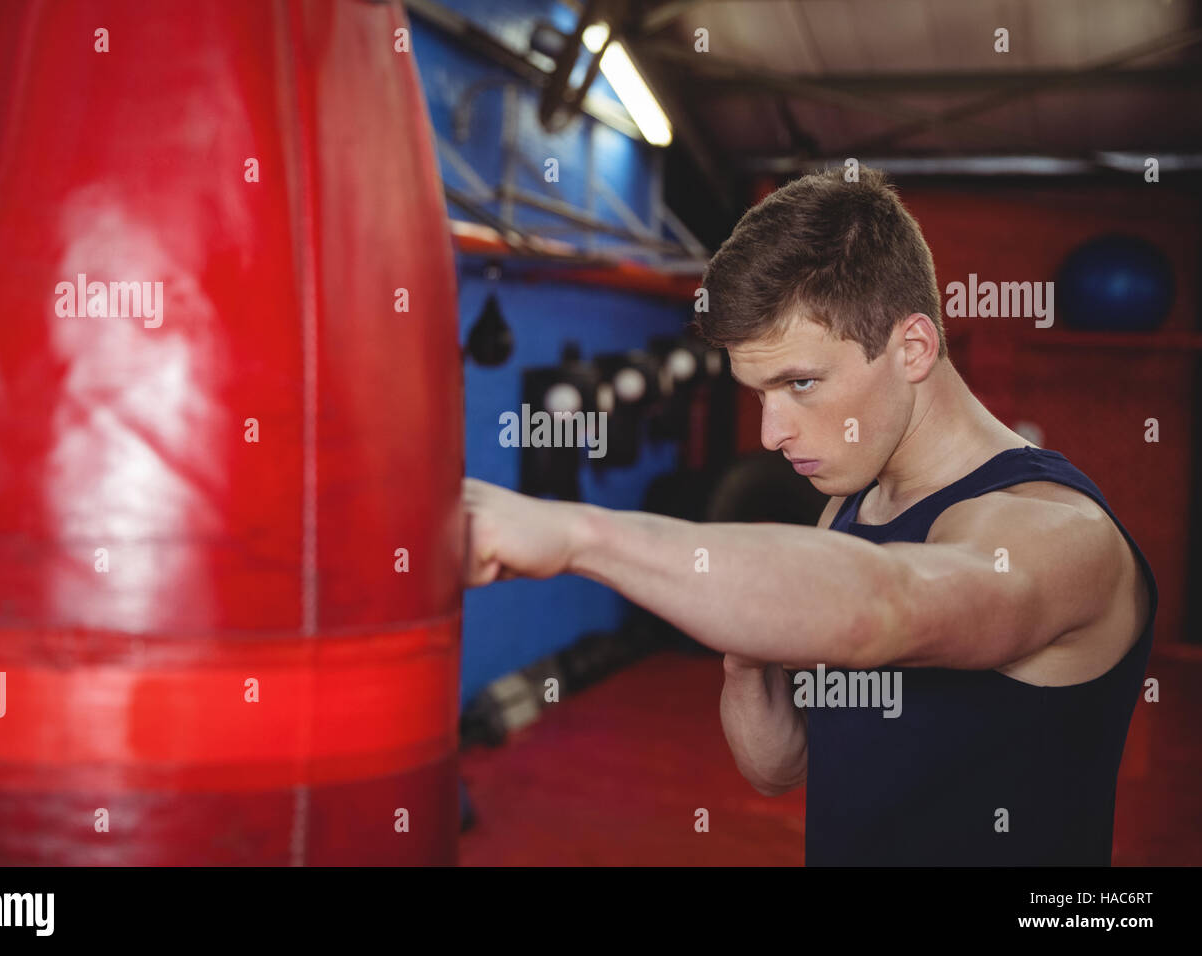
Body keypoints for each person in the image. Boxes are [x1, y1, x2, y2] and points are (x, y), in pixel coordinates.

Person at [461, 165, 1156, 866]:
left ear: (911, 348)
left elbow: (888, 603)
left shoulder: (1057, 532)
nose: (770, 434)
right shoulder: (850, 508)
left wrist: (580, 533)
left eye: (800, 383)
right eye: (760, 393)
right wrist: (746, 646)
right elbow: (780, 767)